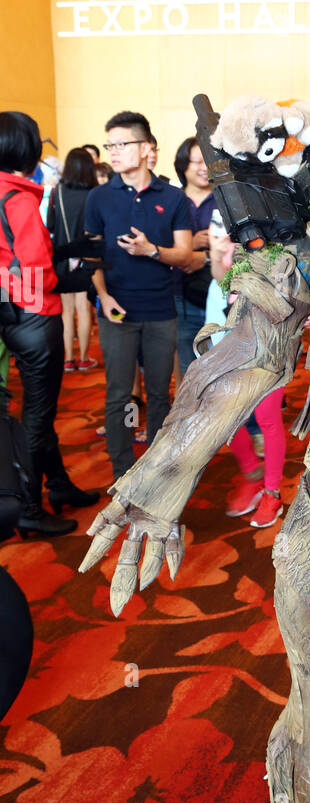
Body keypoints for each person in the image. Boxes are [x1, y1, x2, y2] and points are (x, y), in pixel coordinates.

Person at [0, 110, 98, 534]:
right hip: (36, 318)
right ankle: (27, 508)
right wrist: (77, 276)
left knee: (40, 410)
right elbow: (37, 271)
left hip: (11, 313)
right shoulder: (19, 199)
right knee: (39, 418)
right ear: (27, 147)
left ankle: (58, 487)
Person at [86, 111, 193, 482]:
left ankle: (157, 471)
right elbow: (91, 257)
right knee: (120, 397)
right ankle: (123, 473)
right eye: (109, 145)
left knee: (160, 394)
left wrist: (151, 251)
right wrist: (103, 296)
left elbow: (184, 254)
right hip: (116, 312)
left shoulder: (173, 198)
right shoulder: (98, 198)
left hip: (161, 310)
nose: (113, 152)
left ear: (146, 148)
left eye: (121, 144)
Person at [207, 221, 286, 528]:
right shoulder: (222, 277)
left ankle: (272, 492)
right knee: (226, 420)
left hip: (268, 355)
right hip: (227, 356)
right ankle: (252, 475)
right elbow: (220, 292)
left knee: (267, 420)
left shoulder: (275, 259)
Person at [47, 147, 98, 371]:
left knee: (67, 311)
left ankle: (68, 359)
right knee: (84, 309)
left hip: (62, 258)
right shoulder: (95, 194)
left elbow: (50, 225)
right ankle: (84, 358)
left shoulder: (57, 192)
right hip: (86, 257)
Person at [173, 138, 215, 376]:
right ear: (182, 166)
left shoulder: (225, 199)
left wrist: (208, 252)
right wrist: (190, 243)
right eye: (197, 161)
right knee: (187, 368)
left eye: (207, 161)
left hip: (220, 294)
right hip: (180, 294)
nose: (204, 167)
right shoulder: (172, 200)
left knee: (220, 367)